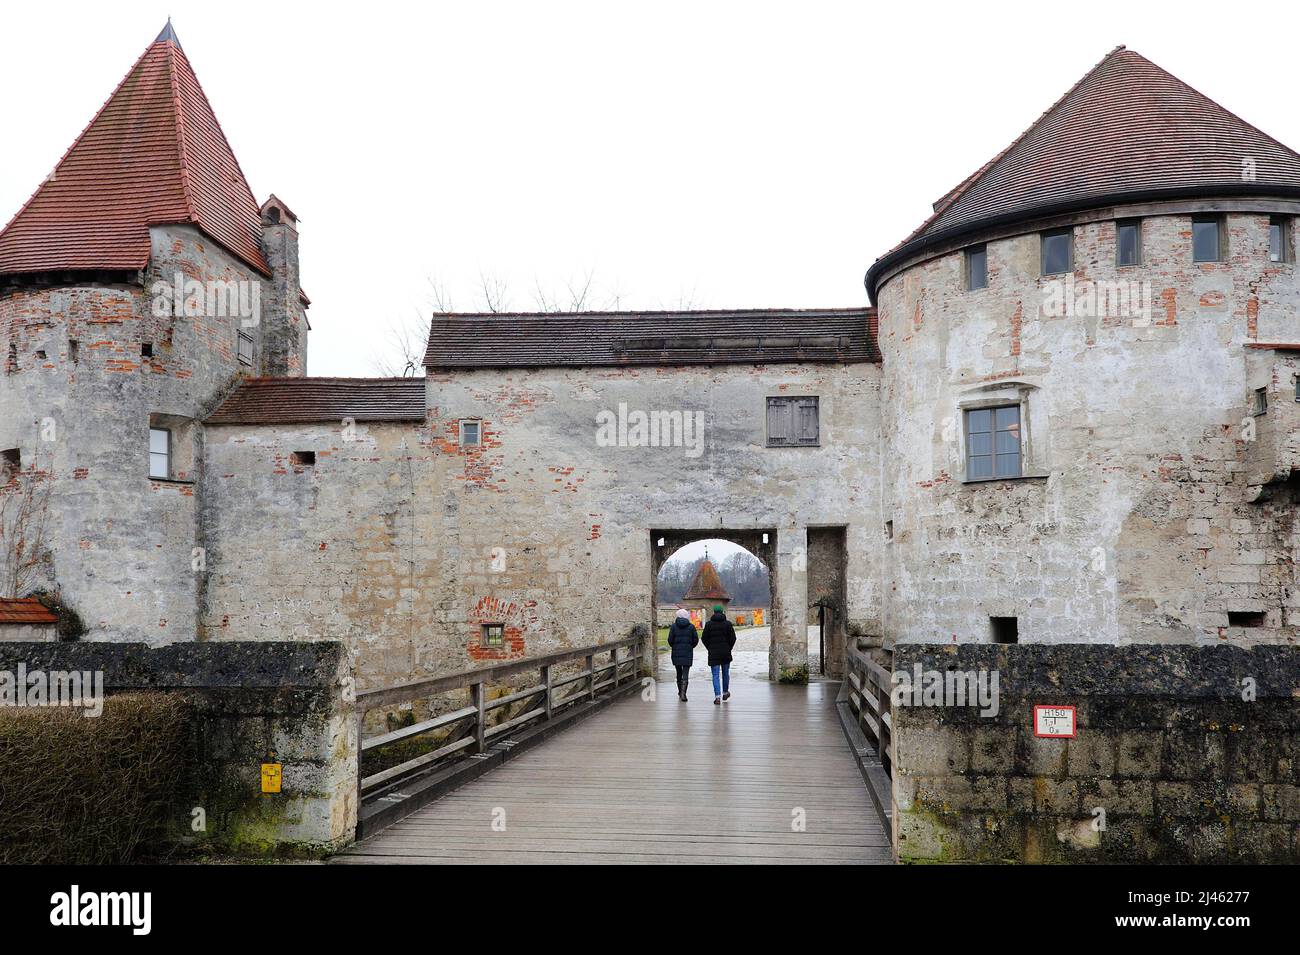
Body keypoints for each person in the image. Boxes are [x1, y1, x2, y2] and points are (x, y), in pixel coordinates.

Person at [701, 604, 737, 705]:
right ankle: (725, 692)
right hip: (725, 653)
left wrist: (710, 648)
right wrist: (728, 648)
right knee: (725, 673)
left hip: (714, 653)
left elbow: (704, 638)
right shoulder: (728, 624)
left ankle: (717, 697)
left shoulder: (709, 624)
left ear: (714, 612)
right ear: (722, 612)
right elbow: (733, 638)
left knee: (715, 675)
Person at [666, 608, 698, 701]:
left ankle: (680, 691)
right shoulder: (691, 627)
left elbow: (670, 640)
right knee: (685, 673)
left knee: (678, 673)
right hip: (687, 652)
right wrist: (690, 646)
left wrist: (674, 646)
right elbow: (695, 640)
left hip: (676, 653)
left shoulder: (674, 627)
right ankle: (683, 693)